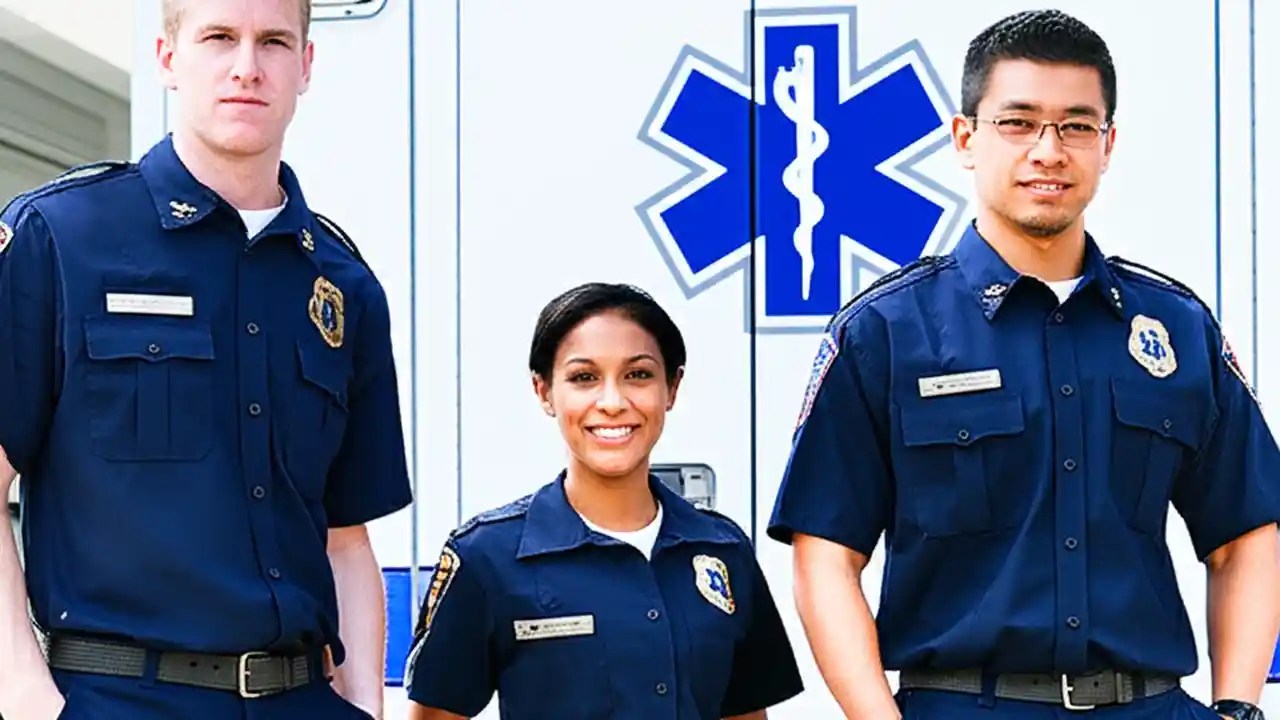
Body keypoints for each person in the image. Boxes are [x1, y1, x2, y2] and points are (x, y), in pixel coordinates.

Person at [767, 8, 1280, 720]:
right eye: (1019, 122)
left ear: (1108, 144)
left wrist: (1236, 707)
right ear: (965, 138)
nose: (1049, 149)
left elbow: (1245, 535)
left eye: (1076, 125)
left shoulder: (1176, 328)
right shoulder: (886, 331)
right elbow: (826, 556)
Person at [0, 0, 412, 717]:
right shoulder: (60, 239)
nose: (246, 68)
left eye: (275, 42)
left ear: (305, 66)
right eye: (219, 37)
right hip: (119, 700)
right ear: (168, 56)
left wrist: (365, 708)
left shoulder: (341, 285)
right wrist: (28, 699)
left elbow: (346, 540)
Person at [402, 282, 805, 719]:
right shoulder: (486, 557)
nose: (612, 402)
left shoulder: (723, 550)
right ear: (544, 391)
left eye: (638, 375)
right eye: (584, 378)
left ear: (672, 387)